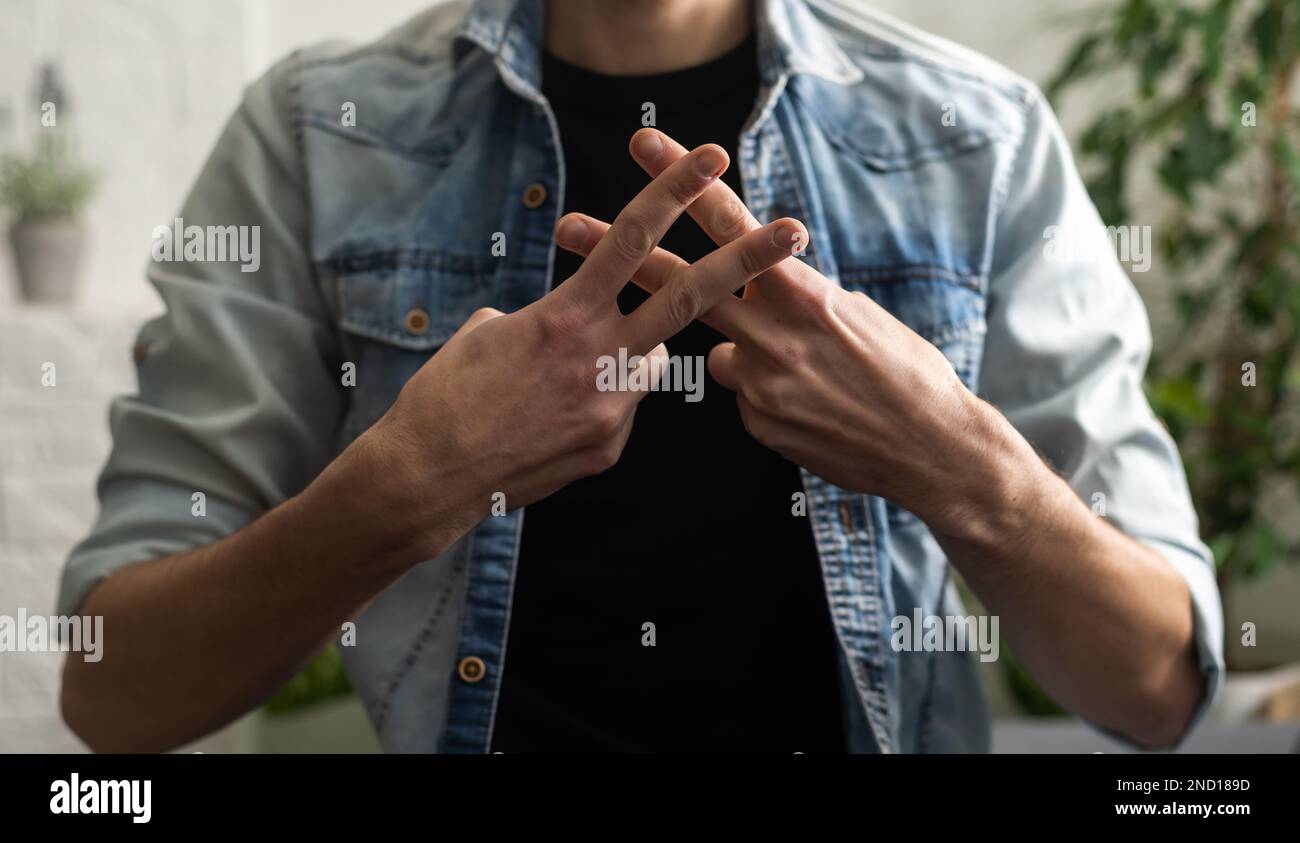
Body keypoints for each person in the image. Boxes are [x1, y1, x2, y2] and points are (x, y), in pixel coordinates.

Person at [58, 0, 1224, 753]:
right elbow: (118, 695)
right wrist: (403, 491)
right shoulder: (317, 134)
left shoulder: (978, 137)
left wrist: (958, 465)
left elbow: (1158, 687)